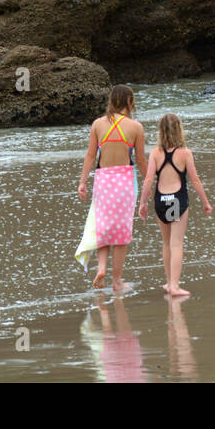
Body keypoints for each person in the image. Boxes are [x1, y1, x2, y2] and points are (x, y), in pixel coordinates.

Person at [76, 85, 147, 290]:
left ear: (111, 101)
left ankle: (101, 268)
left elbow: (91, 156)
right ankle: (117, 281)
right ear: (130, 102)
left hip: (103, 181)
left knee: (103, 228)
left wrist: (82, 182)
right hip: (124, 182)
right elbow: (141, 161)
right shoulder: (136, 127)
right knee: (121, 233)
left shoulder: (98, 124)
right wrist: (151, 182)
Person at [138, 113, 211, 297]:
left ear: (160, 131)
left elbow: (148, 180)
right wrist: (206, 202)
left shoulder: (155, 153)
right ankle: (174, 286)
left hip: (160, 200)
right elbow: (195, 181)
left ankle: (169, 281)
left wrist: (142, 203)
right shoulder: (185, 153)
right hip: (177, 200)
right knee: (176, 244)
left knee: (166, 242)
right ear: (179, 130)